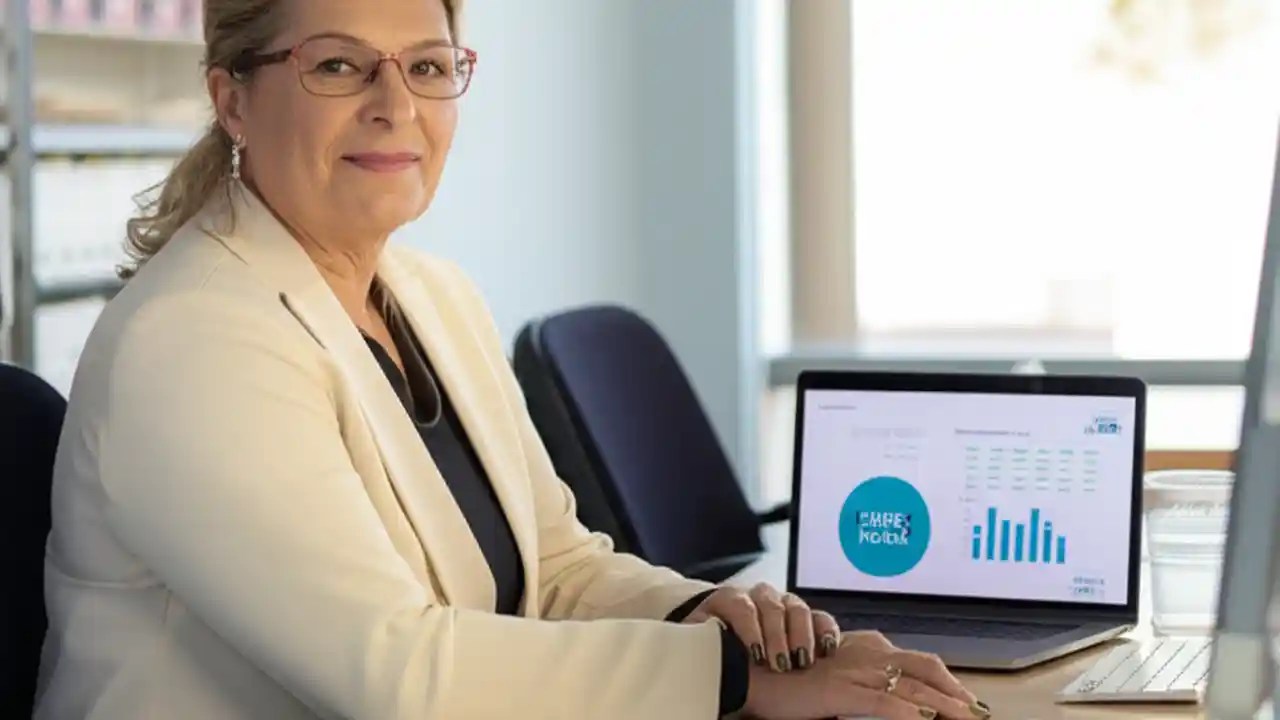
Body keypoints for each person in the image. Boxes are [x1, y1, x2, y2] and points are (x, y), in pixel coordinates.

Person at [34, 1, 989, 719]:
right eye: (337, 67)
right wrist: (736, 683)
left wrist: (720, 618)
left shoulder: (435, 296)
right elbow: (398, 673)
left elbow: (559, 569)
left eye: (427, 65)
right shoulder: (192, 339)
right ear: (231, 97)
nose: (394, 106)